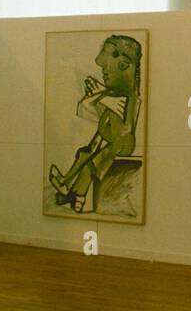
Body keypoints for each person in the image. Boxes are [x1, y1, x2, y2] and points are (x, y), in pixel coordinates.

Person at [49, 35, 143, 213]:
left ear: (124, 66)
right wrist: (101, 95)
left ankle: (76, 194)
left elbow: (127, 129)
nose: (103, 71)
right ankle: (69, 188)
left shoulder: (130, 97)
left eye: (107, 68)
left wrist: (102, 95)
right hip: (110, 138)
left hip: (119, 144)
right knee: (87, 152)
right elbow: (87, 111)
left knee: (89, 161)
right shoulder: (114, 95)